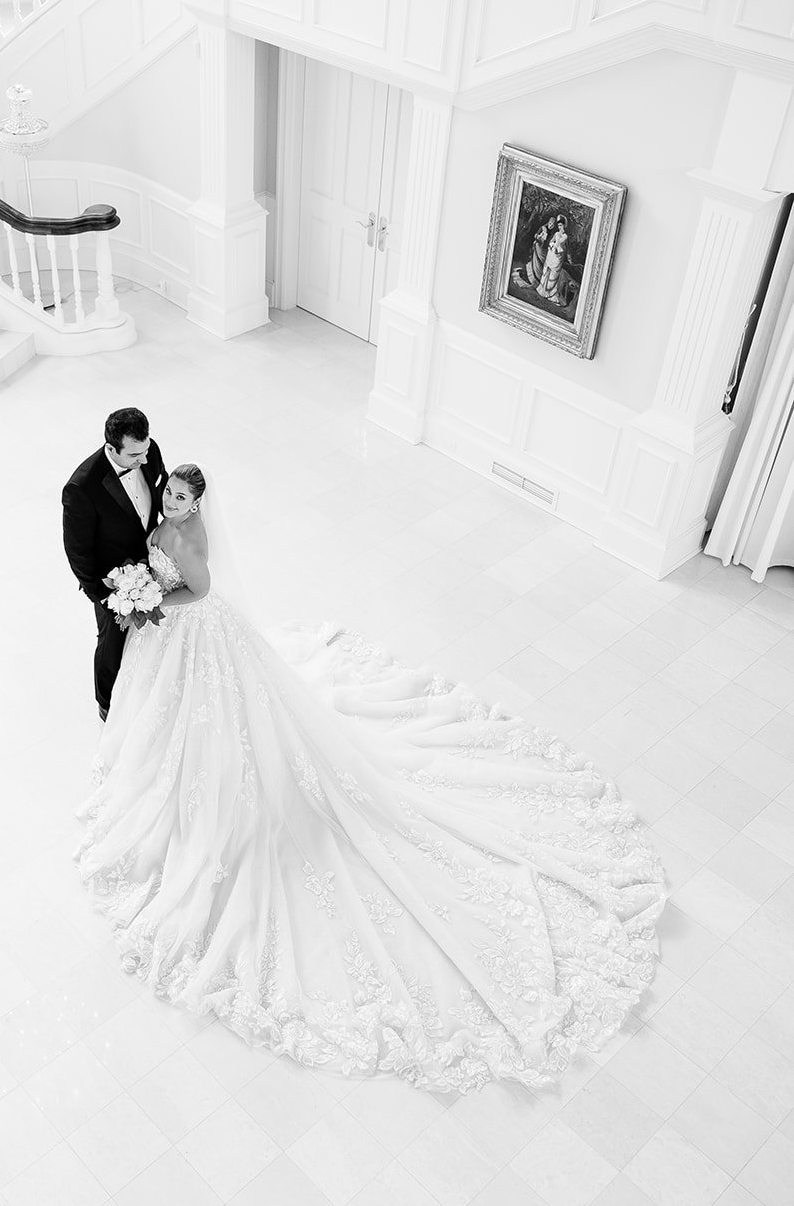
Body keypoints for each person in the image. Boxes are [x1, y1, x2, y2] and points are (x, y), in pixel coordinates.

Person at [75, 464, 666, 1094]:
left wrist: (153, 598)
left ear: (199, 504)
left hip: (193, 627)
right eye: (171, 493)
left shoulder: (189, 541)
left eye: (183, 497)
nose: (172, 500)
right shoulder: (165, 518)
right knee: (180, 718)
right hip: (171, 639)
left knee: (236, 727)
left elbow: (199, 590)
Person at [62, 407, 167, 721]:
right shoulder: (82, 487)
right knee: (112, 641)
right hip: (114, 582)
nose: (144, 460)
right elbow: (77, 550)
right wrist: (103, 595)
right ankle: (107, 703)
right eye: (135, 455)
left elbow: (159, 488)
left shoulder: (147, 451)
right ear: (111, 449)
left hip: (153, 561)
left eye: (146, 451)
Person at [535, 214, 579, 309]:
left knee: (553, 276)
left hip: (558, 257)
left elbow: (564, 247)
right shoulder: (556, 234)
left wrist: (558, 248)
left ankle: (552, 295)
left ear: (564, 226)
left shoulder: (565, 236)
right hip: (551, 255)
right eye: (558, 226)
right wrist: (552, 245)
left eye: (561, 226)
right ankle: (543, 291)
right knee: (546, 272)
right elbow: (551, 241)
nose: (559, 227)